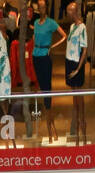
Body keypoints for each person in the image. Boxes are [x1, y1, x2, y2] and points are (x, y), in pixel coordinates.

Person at [31, 0, 66, 141]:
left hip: (45, 57)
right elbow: (34, 37)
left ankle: (51, 129)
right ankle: (50, 128)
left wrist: (52, 47)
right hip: (35, 56)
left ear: (47, 8)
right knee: (43, 90)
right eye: (40, 7)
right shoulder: (35, 23)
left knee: (47, 91)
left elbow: (64, 36)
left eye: (44, 7)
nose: (41, 9)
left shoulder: (51, 22)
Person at [64, 2, 88, 144]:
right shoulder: (72, 27)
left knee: (79, 97)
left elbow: (84, 49)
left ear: (75, 12)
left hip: (76, 63)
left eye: (69, 11)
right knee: (74, 98)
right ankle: (78, 134)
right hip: (69, 61)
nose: (68, 13)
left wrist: (78, 69)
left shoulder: (82, 27)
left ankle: (83, 130)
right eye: (67, 11)